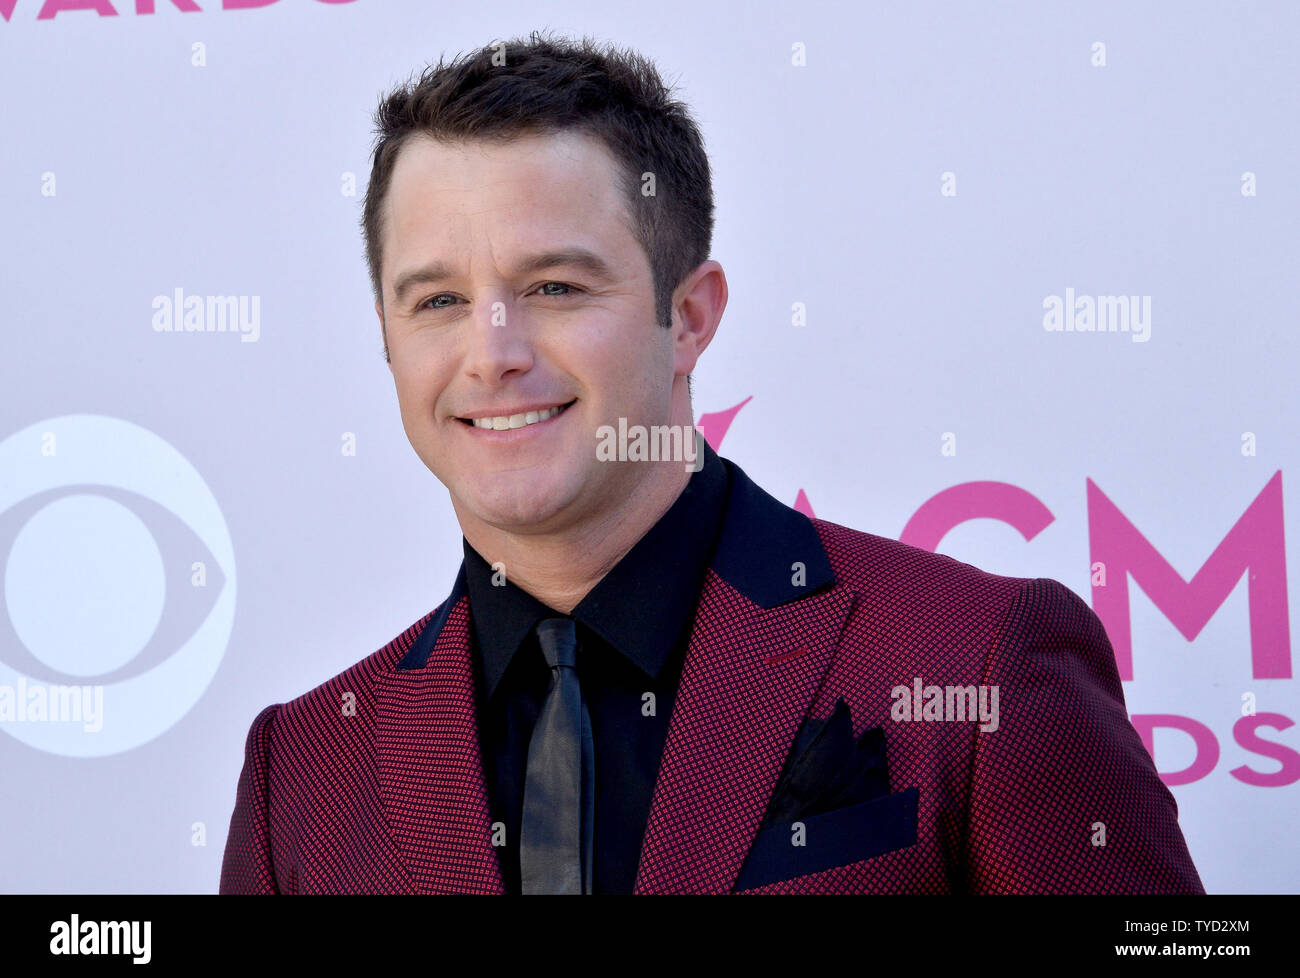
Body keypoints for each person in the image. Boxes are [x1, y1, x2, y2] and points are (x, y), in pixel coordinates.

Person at [219, 32, 1204, 894]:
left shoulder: (976, 662)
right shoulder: (303, 767)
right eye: (435, 300)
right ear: (387, 337)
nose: (493, 352)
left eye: (555, 286)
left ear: (687, 318)